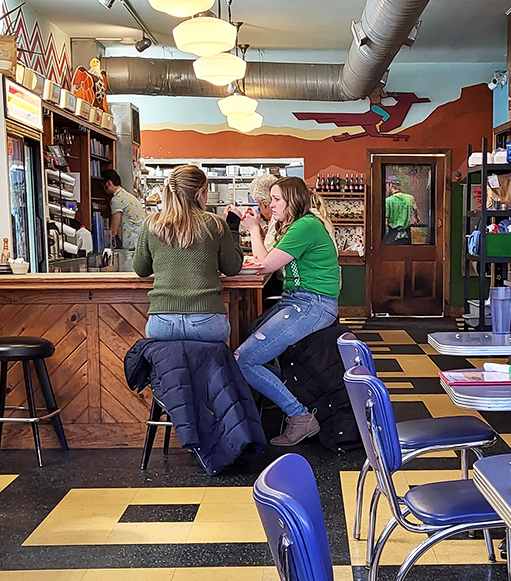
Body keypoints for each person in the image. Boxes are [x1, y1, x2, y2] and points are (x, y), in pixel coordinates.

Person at [235, 177, 340, 446]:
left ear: (293, 200)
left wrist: (254, 228)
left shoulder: (305, 225)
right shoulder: (299, 224)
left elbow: (266, 264)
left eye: (277, 199)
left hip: (313, 304)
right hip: (299, 300)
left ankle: (299, 415)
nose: (272, 205)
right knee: (252, 334)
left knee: (244, 360)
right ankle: (291, 401)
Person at [133, 164, 243, 342]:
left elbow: (140, 268)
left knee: (167, 369)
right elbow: (232, 267)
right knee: (209, 368)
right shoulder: (215, 224)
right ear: (200, 193)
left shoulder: (152, 224)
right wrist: (232, 229)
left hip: (162, 319)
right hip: (206, 318)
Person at [102, 169, 145, 252]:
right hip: (140, 243)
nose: (103, 191)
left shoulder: (117, 200)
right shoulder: (129, 196)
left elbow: (113, 231)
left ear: (109, 183)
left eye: (103, 186)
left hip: (131, 246)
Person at [384, 176, 420, 244]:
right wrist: (415, 219)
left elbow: (386, 221)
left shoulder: (388, 201)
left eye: (387, 186)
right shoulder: (410, 198)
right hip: (407, 236)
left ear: (390, 185)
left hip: (393, 237)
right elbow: (416, 213)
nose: (386, 188)